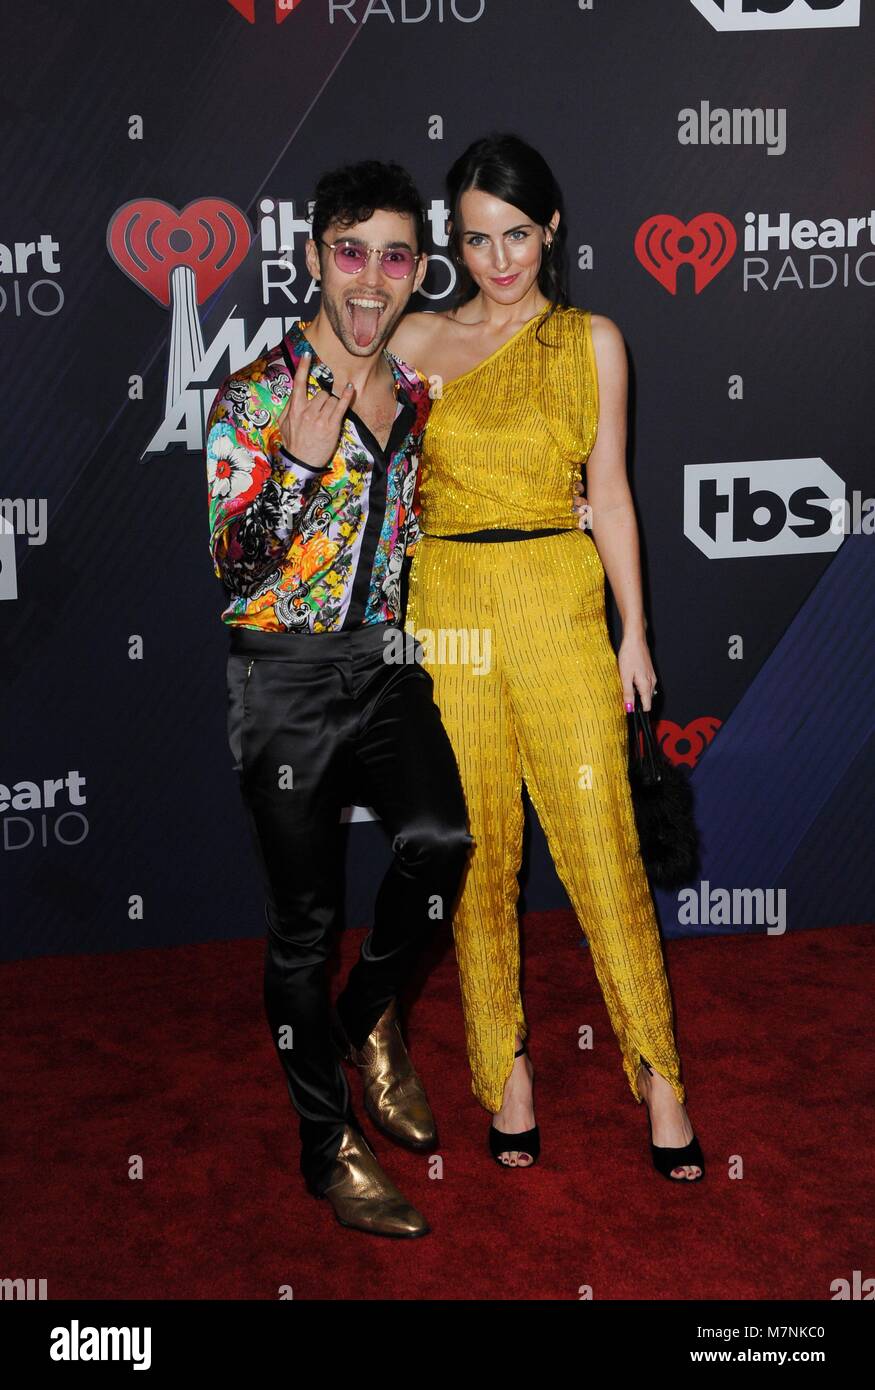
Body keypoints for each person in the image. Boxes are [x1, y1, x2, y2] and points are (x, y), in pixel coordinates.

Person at [390, 132, 704, 1182]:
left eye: (516, 234)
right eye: (476, 238)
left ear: (550, 227)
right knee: (475, 857)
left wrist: (634, 630)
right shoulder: (417, 340)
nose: (499, 259)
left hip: (556, 601)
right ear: (453, 241)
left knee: (602, 849)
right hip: (446, 611)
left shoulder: (589, 341)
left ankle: (658, 1074)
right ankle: (505, 1070)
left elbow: (608, 492)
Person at [204, 159, 473, 1237]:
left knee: (441, 840)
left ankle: (370, 1024)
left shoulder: (407, 394)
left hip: (382, 661)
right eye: (350, 251)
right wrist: (299, 471)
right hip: (282, 678)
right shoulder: (252, 397)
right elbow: (229, 567)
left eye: (395, 256)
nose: (371, 279)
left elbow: (404, 537)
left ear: (416, 270)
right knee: (302, 932)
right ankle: (328, 1144)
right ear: (313, 256)